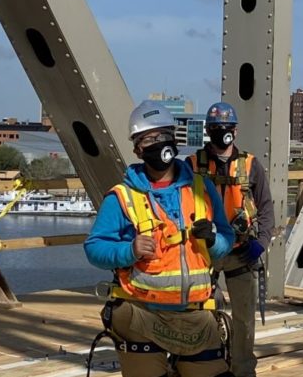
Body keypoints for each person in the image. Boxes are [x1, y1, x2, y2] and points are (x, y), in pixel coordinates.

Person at [85, 101, 237, 377]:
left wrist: (214, 239)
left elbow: (225, 242)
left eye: (164, 135)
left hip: (196, 314)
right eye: (149, 139)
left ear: (174, 138)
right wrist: (129, 250)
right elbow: (95, 248)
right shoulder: (122, 197)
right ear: (137, 149)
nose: (159, 143)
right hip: (141, 314)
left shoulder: (202, 189)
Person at [189, 102, 276, 375]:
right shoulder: (192, 165)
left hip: (242, 251)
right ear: (207, 131)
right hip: (206, 253)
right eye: (215, 128)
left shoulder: (250, 165)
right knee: (203, 315)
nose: (221, 133)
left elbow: (265, 207)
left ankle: (242, 369)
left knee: (243, 318)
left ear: (235, 131)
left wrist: (261, 242)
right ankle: (209, 366)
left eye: (225, 128)